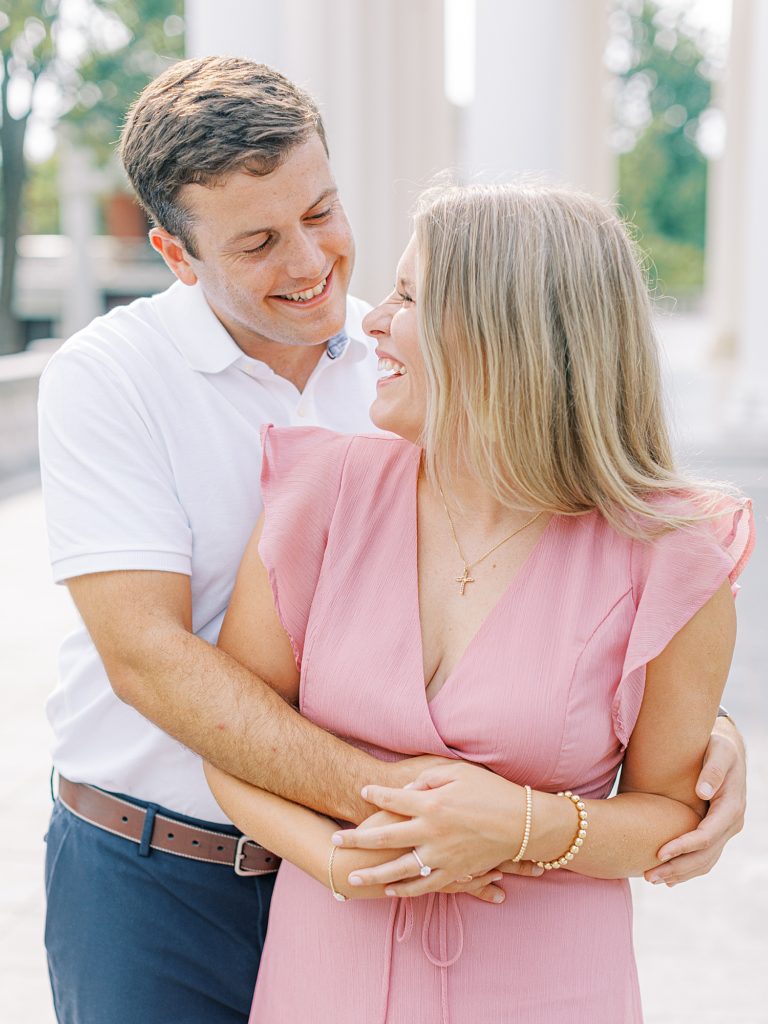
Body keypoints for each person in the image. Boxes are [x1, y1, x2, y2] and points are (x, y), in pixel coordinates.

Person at [36, 56, 746, 1024]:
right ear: (175, 253)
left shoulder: (419, 360)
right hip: (163, 865)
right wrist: (431, 814)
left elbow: (568, 585)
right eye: (257, 242)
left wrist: (689, 721)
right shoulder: (111, 379)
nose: (314, 263)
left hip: (426, 897)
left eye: (322, 212)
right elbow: (151, 660)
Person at [204, 181, 754, 1023]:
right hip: (323, 973)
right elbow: (234, 740)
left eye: (410, 296)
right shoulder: (319, 494)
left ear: (507, 335)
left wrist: (524, 824)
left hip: (549, 988)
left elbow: (672, 819)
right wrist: (332, 860)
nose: (373, 320)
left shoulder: (671, 557)